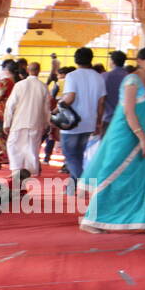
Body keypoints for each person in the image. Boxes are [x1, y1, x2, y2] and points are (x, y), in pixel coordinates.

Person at [79, 47, 145, 234]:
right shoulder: (131, 81)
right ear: (140, 61)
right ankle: (91, 219)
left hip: (144, 132)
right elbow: (129, 113)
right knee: (113, 174)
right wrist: (142, 138)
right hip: (125, 135)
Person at [56, 47, 106, 192]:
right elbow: (101, 102)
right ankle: (71, 188)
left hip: (72, 123)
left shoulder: (72, 76)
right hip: (90, 121)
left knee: (70, 155)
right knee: (78, 154)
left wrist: (58, 106)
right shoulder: (99, 77)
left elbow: (70, 98)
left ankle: (85, 181)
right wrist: (98, 122)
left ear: (76, 59)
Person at [2, 60, 51, 192]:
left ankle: (16, 175)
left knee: (14, 148)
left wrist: (7, 123)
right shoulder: (43, 87)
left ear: (28, 71)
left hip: (19, 123)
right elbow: (47, 109)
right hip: (36, 124)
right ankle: (23, 179)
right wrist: (47, 124)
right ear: (39, 71)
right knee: (30, 151)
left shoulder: (20, 85)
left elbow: (10, 105)